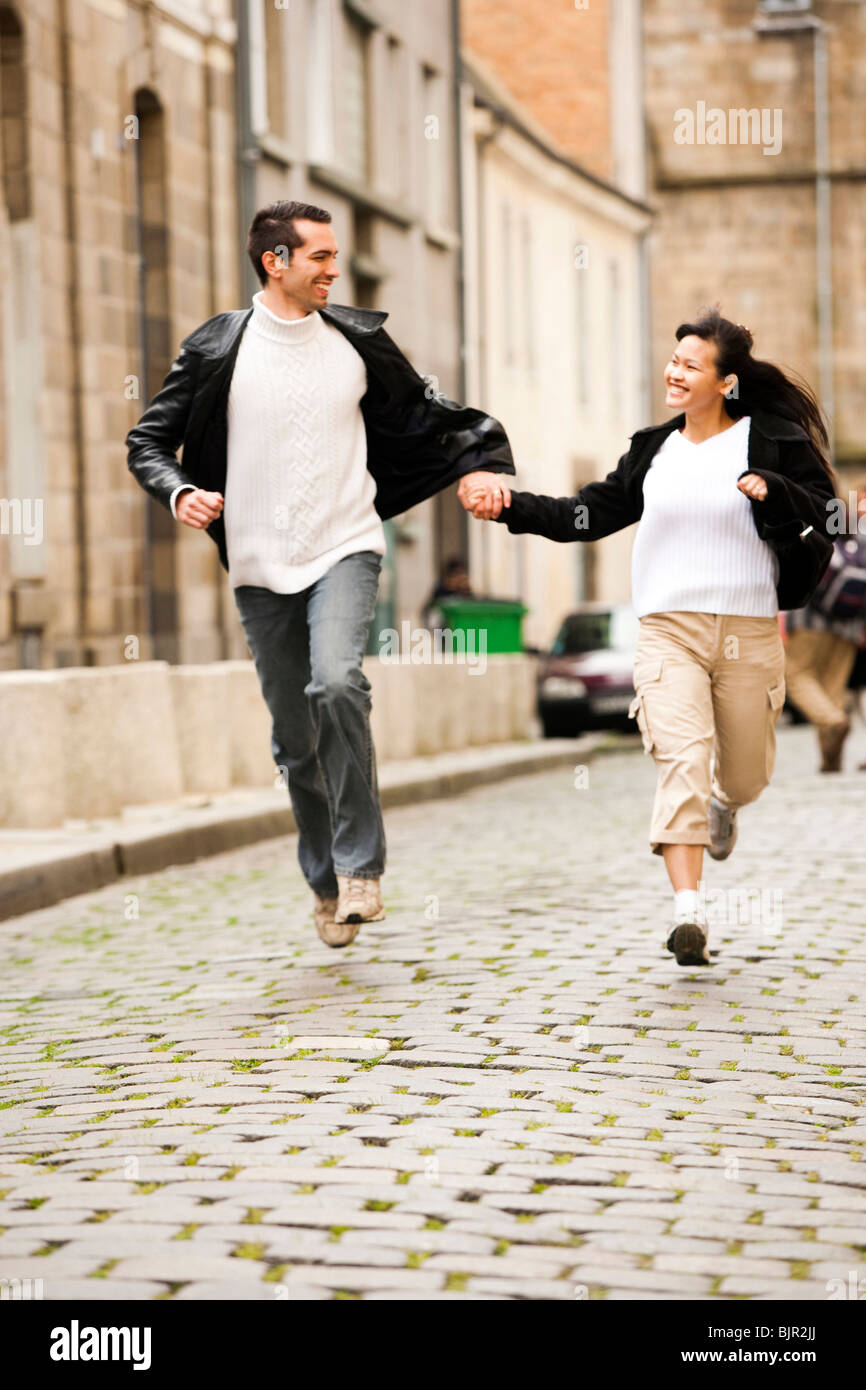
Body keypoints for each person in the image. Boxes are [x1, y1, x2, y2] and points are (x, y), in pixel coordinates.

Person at [126, 201, 514, 947]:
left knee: (337, 681)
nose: (336, 269)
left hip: (347, 542)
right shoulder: (218, 348)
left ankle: (362, 866)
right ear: (276, 262)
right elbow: (149, 437)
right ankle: (324, 882)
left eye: (335, 257)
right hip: (260, 563)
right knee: (294, 739)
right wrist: (180, 490)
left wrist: (483, 464)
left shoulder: (357, 341)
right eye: (320, 258)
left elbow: (425, 413)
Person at [461, 308, 835, 967]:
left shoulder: (771, 440)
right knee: (681, 759)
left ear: (725, 382)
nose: (675, 371)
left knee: (744, 775)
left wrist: (772, 490)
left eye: (691, 364)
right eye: (674, 359)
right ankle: (688, 912)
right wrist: (510, 504)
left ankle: (727, 805)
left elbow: (824, 512)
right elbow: (587, 513)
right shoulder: (652, 451)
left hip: (747, 629)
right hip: (668, 631)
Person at [784, 489, 866, 771]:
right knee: (833, 689)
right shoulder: (860, 540)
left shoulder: (813, 532)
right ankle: (830, 759)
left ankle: (834, 722)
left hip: (810, 622)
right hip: (849, 627)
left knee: (795, 674)